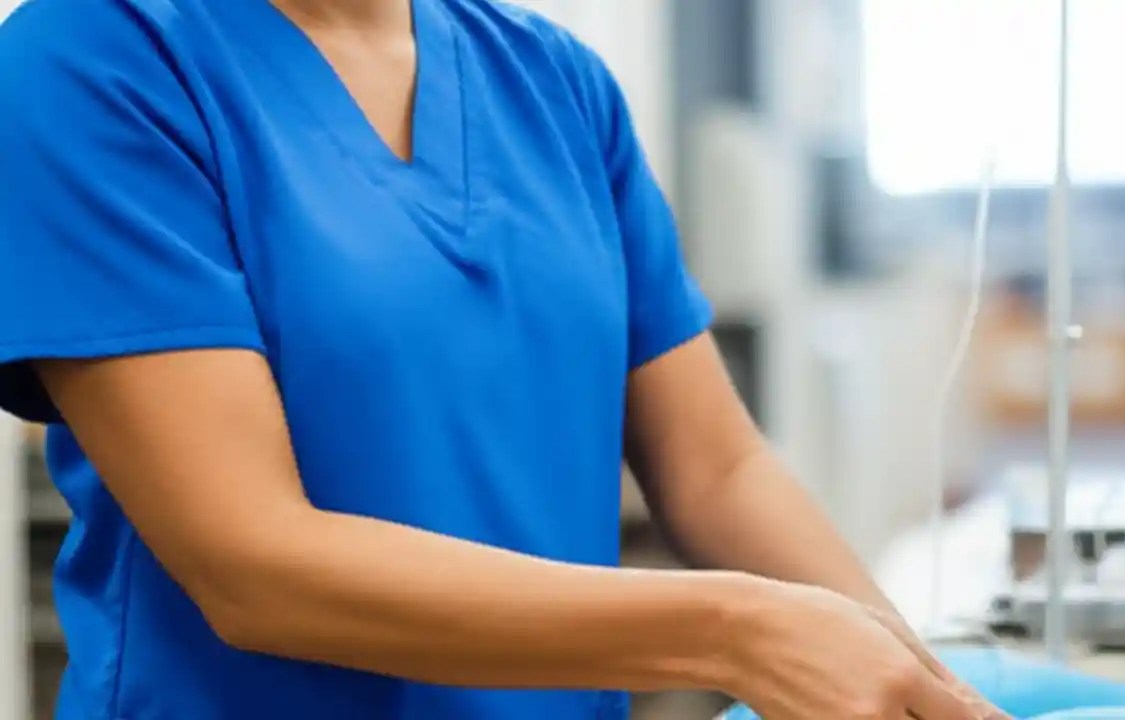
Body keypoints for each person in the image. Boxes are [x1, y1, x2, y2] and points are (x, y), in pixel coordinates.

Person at [0, 1, 1007, 718]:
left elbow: (715, 468)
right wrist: (741, 631)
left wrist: (916, 690)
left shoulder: (551, 80)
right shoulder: (94, 61)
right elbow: (252, 565)